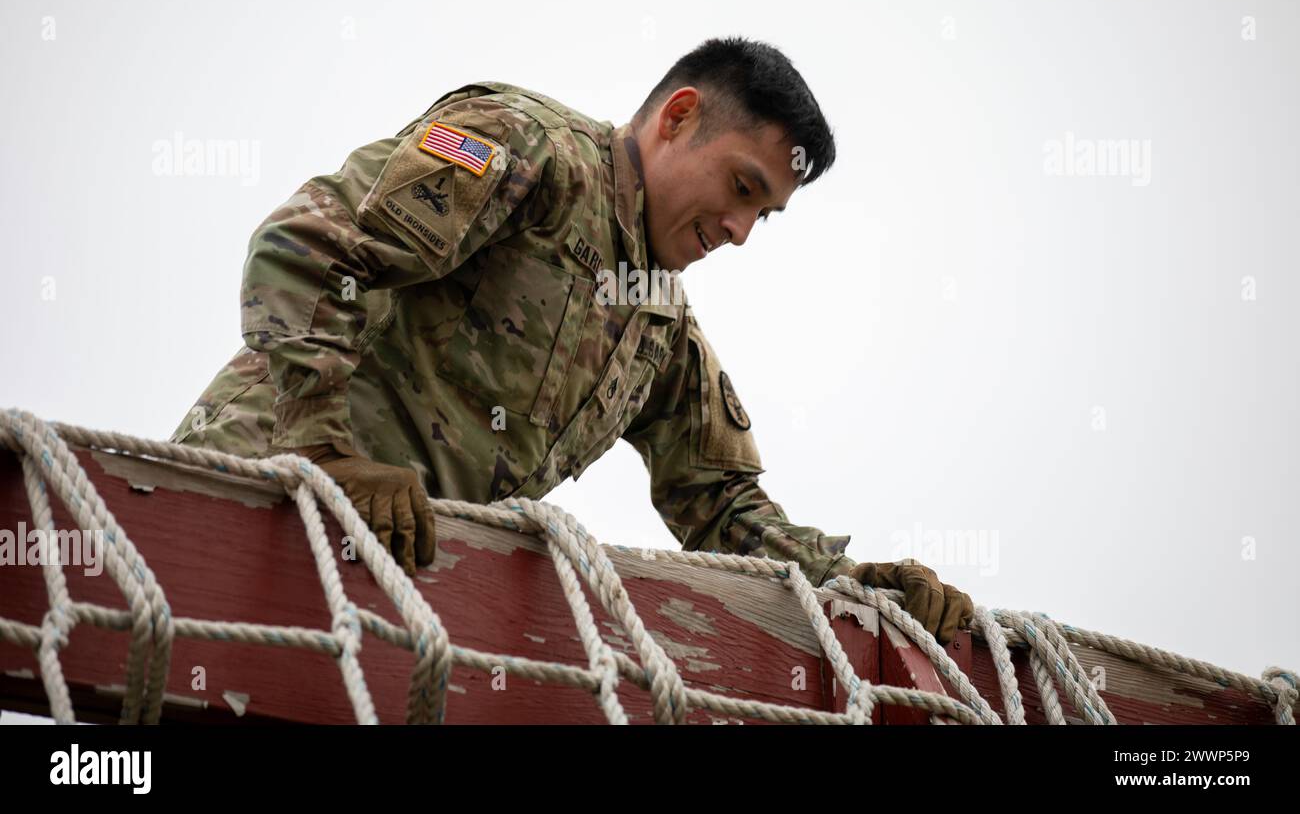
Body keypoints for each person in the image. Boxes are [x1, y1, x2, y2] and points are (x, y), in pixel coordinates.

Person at [171, 36, 974, 644]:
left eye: (763, 215)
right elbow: (308, 244)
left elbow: (721, 503)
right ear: (679, 117)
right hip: (238, 505)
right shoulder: (530, 151)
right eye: (740, 188)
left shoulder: (660, 325)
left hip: (377, 587)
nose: (738, 232)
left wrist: (857, 585)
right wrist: (324, 451)